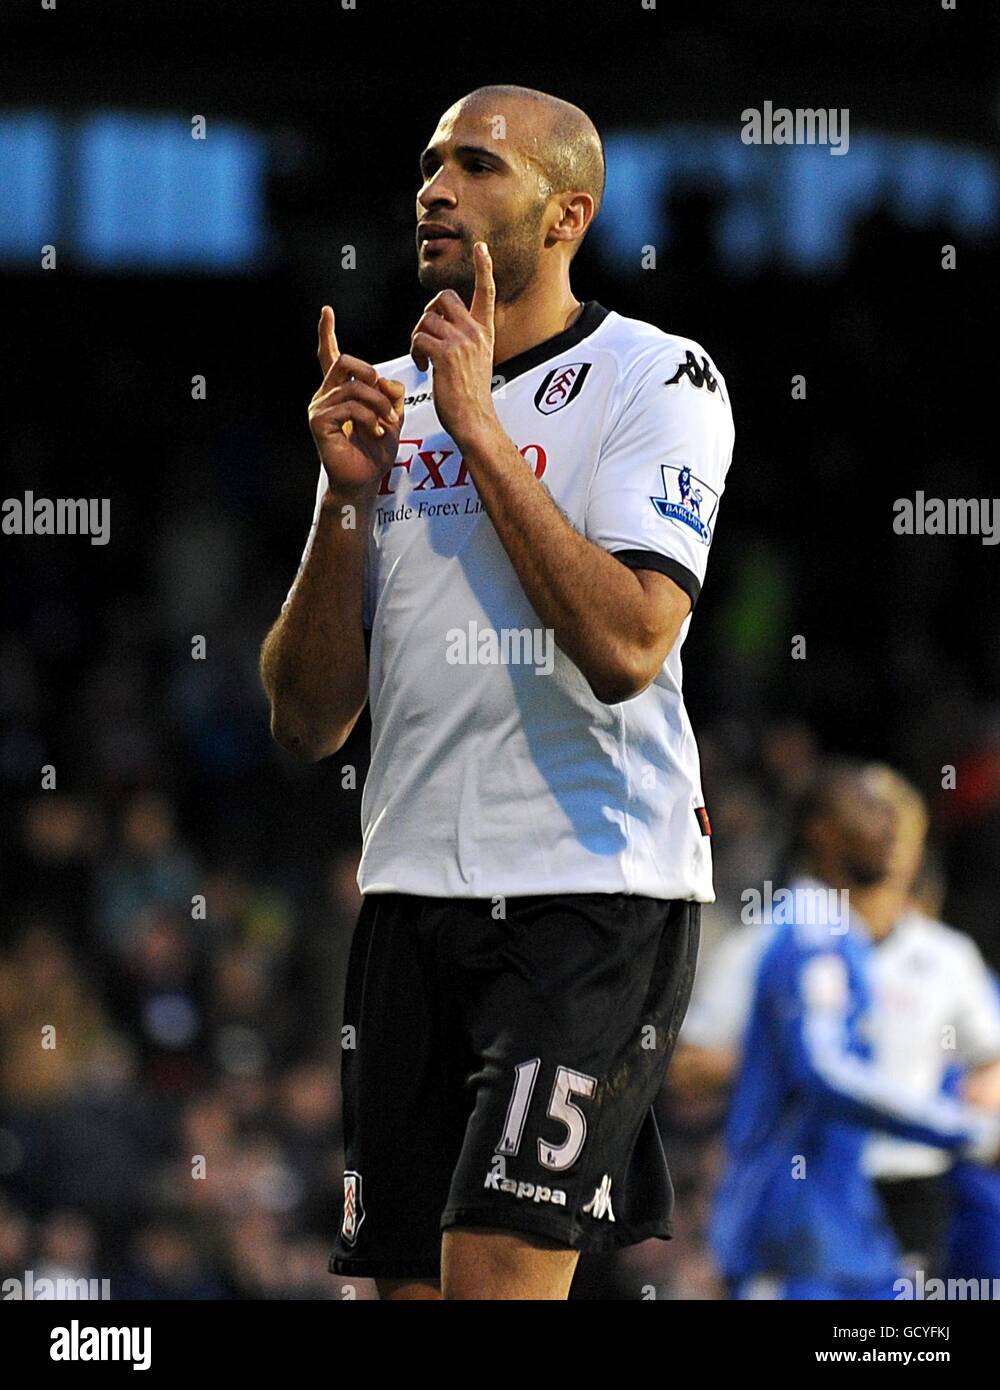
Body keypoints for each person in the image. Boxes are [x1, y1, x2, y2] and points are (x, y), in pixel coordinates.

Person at [259, 84, 735, 1300]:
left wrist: (475, 426)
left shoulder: (658, 378)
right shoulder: (385, 400)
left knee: (490, 1284)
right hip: (411, 894)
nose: (434, 185)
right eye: (429, 162)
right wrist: (351, 502)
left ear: (567, 212)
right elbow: (307, 721)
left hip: (587, 892)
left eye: (476, 164)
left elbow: (630, 643)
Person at [706, 761, 1000, 1299]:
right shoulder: (809, 932)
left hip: (846, 1223)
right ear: (820, 830)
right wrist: (967, 1131)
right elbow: (827, 1072)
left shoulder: (842, 935)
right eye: (865, 809)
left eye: (890, 815)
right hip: (788, 1228)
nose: (885, 825)